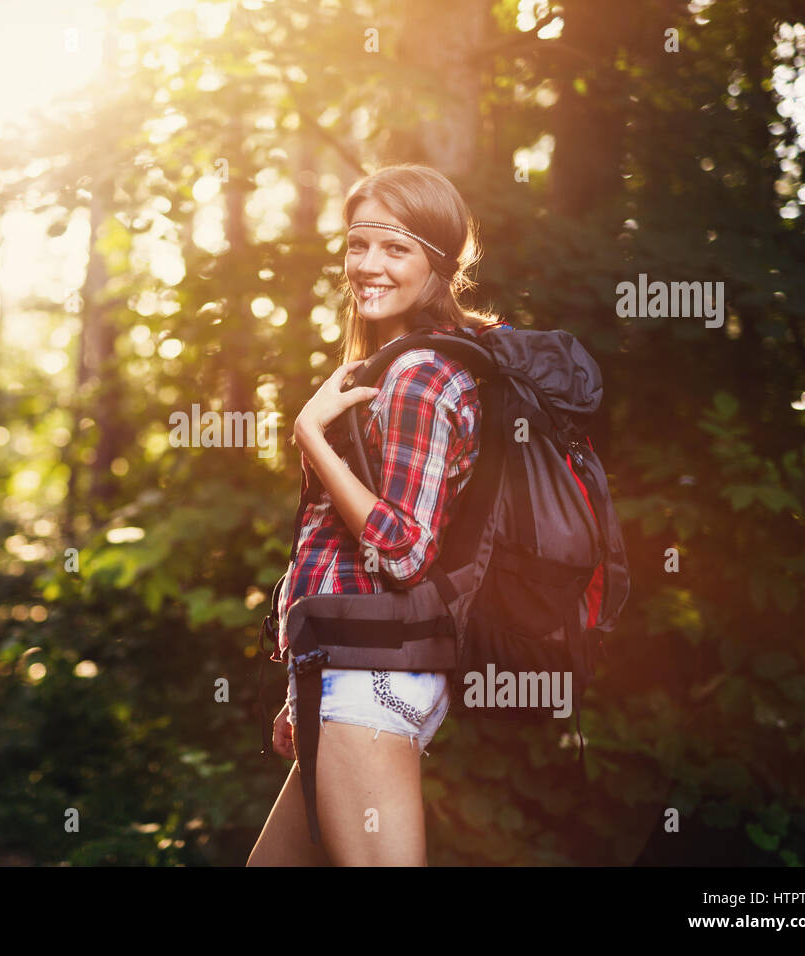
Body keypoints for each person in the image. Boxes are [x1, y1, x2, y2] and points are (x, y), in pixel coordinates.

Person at [247, 163, 508, 866]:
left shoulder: (420, 375)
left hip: (368, 680)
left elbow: (403, 550)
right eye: (359, 244)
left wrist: (309, 437)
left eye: (396, 249)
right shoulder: (393, 366)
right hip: (343, 670)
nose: (368, 264)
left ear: (439, 265)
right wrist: (307, 684)